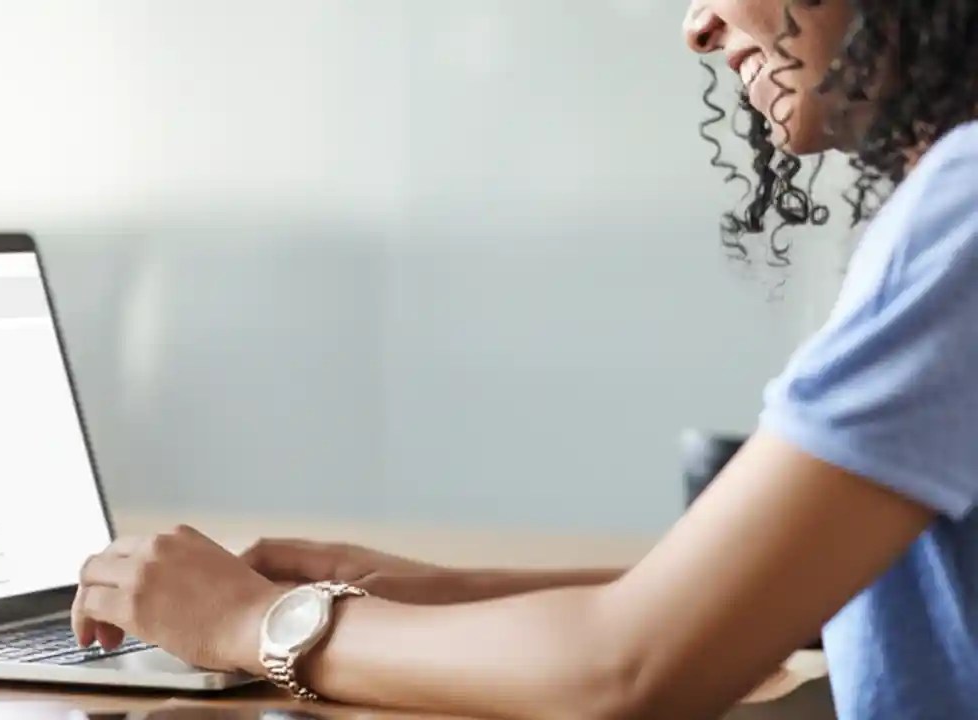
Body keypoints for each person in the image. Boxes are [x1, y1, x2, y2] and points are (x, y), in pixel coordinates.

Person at [71, 2, 978, 718]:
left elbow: (631, 671)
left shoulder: (962, 211)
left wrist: (252, 622)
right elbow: (815, 600)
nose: (696, 25)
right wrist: (431, 599)